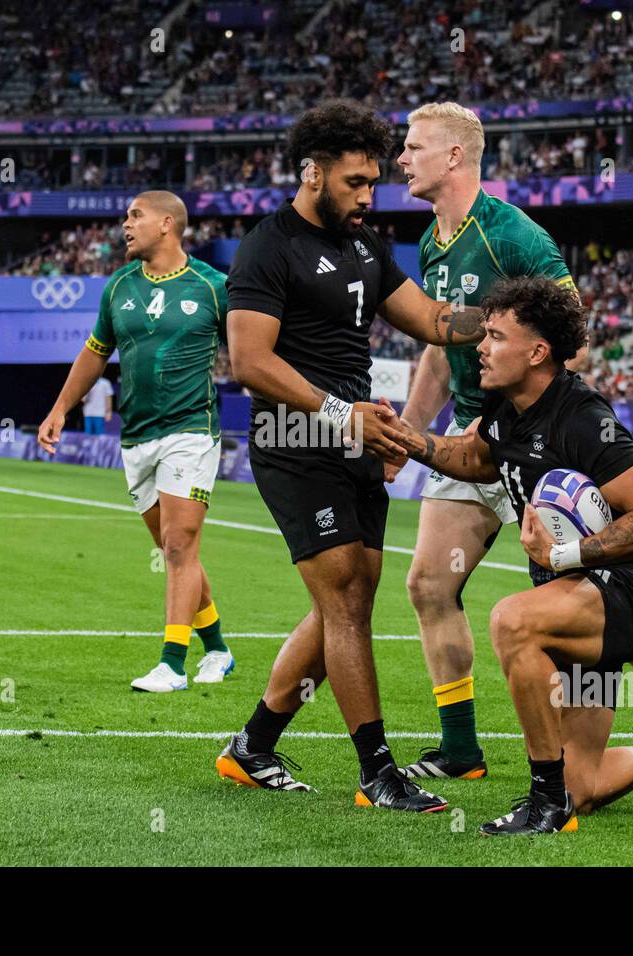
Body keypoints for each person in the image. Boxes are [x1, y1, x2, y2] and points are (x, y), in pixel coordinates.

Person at [392, 276, 633, 835]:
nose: (480, 345)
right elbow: (478, 458)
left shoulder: (582, 416)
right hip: (576, 597)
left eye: (496, 336)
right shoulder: (502, 404)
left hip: (629, 595)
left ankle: (544, 801)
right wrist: (408, 441)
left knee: (511, 620)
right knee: (589, 787)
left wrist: (565, 554)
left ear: (537, 351)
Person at [215, 100, 483, 811]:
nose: (367, 196)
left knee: (348, 602)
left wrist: (513, 313)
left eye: (373, 183)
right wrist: (338, 415)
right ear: (313, 172)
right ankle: (376, 773)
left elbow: (430, 320)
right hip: (297, 440)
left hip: (360, 440)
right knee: (344, 603)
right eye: (355, 182)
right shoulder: (267, 246)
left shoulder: (366, 247)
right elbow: (248, 360)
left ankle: (254, 745)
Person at [392, 101, 577, 780]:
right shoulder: (431, 245)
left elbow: (571, 335)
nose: (401, 159)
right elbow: (440, 354)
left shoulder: (511, 236)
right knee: (429, 584)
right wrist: (408, 436)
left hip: (530, 445)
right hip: (467, 444)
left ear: (454, 157)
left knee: (579, 607)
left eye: (413, 148)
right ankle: (462, 749)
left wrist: (503, 418)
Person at [38, 190, 233, 693]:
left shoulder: (214, 287)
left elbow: (255, 347)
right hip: (136, 437)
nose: (125, 224)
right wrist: (61, 408)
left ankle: (172, 663)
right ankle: (218, 649)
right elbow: (94, 353)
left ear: (167, 224)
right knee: (174, 552)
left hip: (191, 430)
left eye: (135, 215)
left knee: (178, 543)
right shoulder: (118, 286)